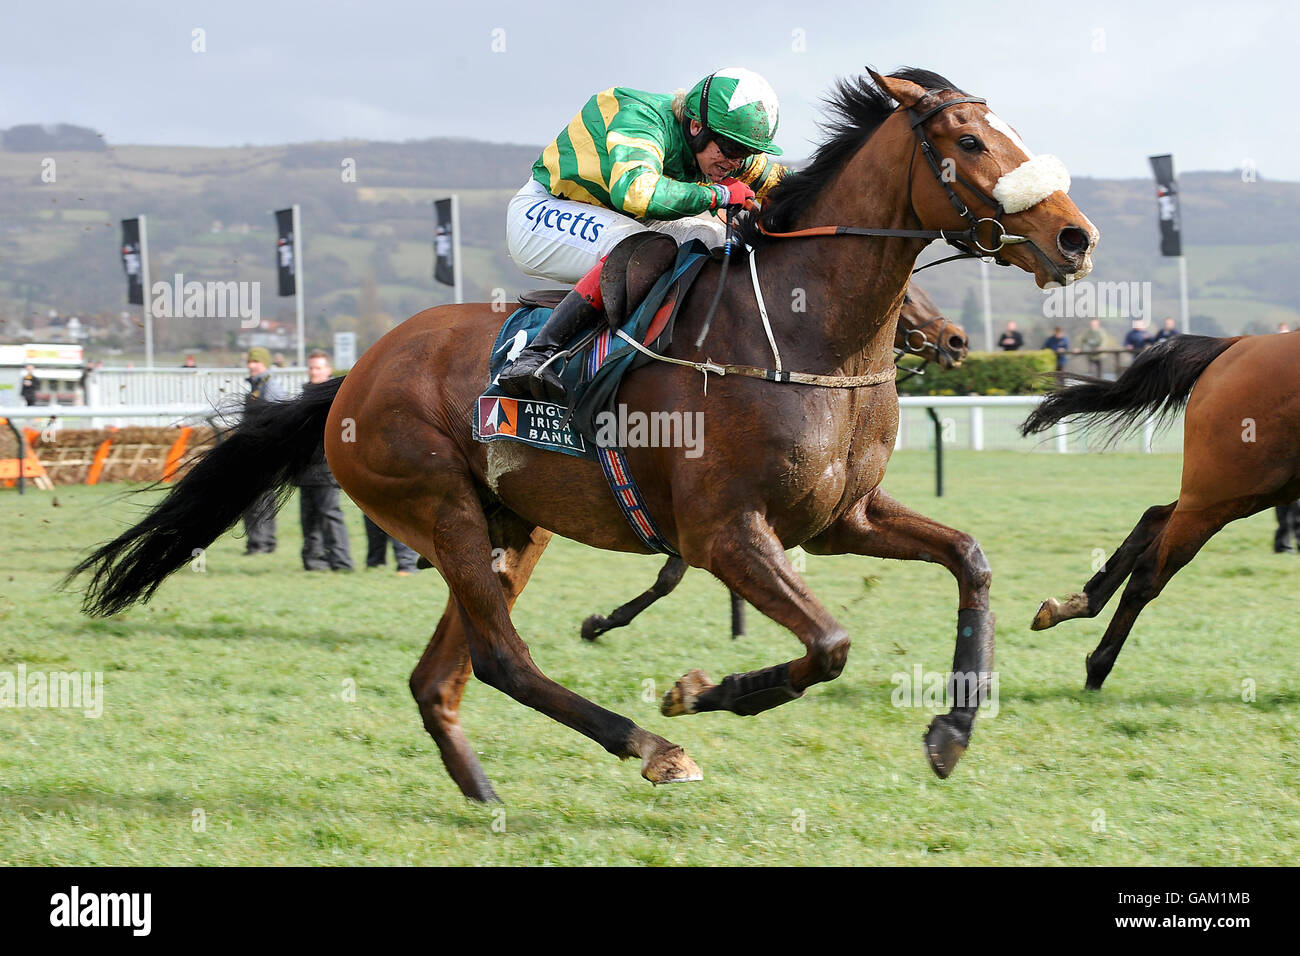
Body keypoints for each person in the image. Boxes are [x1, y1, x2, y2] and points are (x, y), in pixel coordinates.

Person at [499, 67, 786, 400]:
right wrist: (719, 195)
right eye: (730, 149)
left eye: (745, 152)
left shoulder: (722, 147)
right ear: (696, 126)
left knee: (714, 238)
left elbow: (786, 185)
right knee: (636, 246)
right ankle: (537, 355)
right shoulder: (642, 117)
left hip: (619, 216)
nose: (736, 162)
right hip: (541, 213)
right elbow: (637, 193)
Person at [293, 350, 353, 571]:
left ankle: (341, 561)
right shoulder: (304, 396)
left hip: (326, 467)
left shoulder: (336, 398)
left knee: (329, 515)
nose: (314, 371)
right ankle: (313, 561)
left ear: (328, 370)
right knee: (308, 518)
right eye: (311, 367)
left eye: (318, 367)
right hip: (305, 468)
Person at [242, 347, 282, 554]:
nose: (251, 365)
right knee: (255, 499)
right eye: (250, 362)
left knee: (259, 500)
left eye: (255, 362)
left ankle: (261, 544)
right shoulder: (255, 387)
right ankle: (260, 542)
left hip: (264, 452)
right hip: (252, 451)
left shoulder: (271, 387)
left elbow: (279, 419)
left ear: (265, 364)